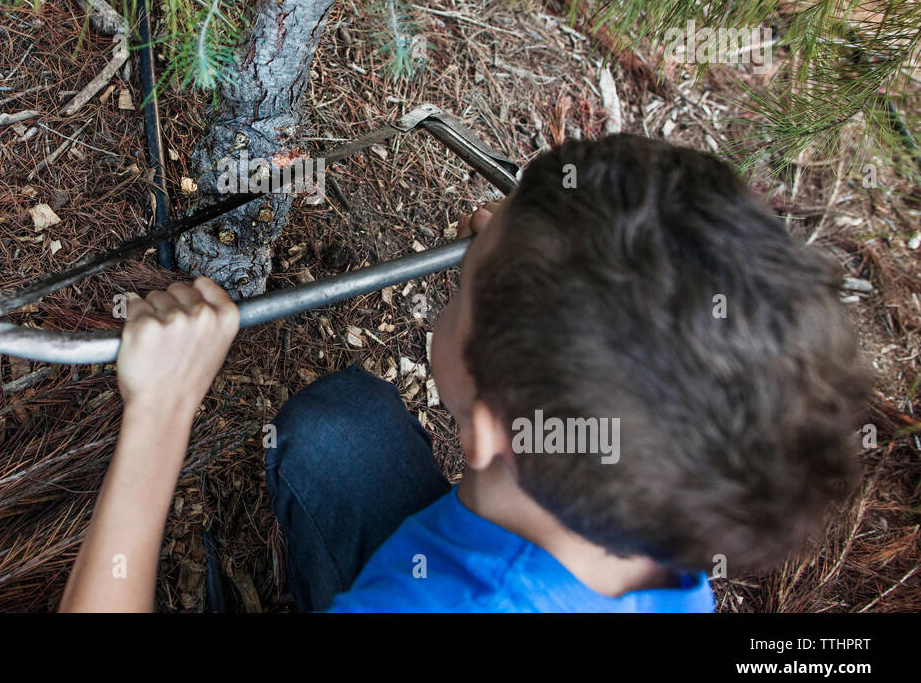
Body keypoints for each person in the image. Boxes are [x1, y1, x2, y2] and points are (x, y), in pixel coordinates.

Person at [59, 134, 869, 612]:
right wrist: (524, 252)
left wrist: (161, 410)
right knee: (342, 434)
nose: (470, 242)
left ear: (487, 427)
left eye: (460, 286)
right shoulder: (673, 506)